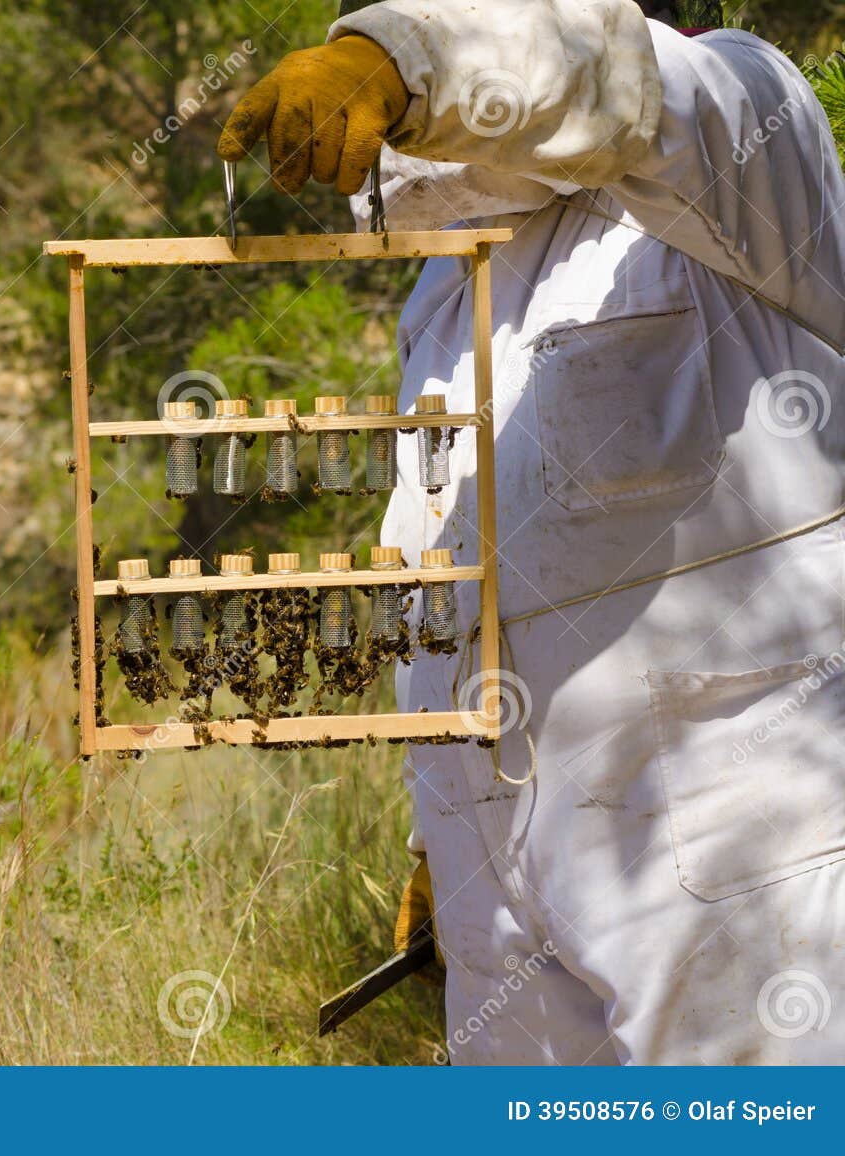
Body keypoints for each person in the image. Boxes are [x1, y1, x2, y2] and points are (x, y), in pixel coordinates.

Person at [219, 0, 845, 1064]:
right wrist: (441, 839)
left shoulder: (742, 123)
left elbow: (617, 86)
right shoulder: (447, 288)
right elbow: (454, 568)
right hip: (504, 875)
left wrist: (406, 62)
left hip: (731, 849)